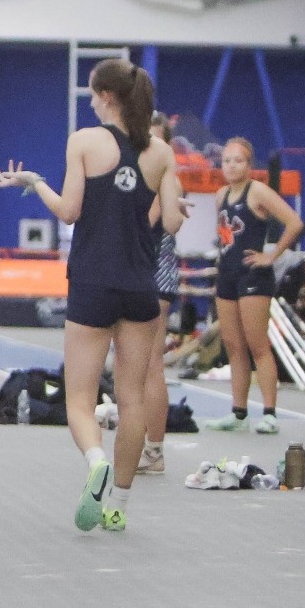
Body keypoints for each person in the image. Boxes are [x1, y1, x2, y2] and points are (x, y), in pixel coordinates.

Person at [0, 59, 185, 531]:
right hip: (141, 286)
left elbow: (69, 212)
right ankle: (118, 500)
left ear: (106, 97)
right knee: (132, 398)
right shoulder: (160, 152)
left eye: (93, 94)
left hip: (94, 282)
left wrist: (36, 183)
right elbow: (174, 222)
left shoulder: (83, 141)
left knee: (80, 399)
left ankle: (96, 461)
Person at [203, 137, 304, 434]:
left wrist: (271, 255)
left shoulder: (258, 191)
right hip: (228, 273)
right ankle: (238, 412)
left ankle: (270, 412)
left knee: (257, 344)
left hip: (252, 275)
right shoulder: (220, 195)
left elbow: (294, 222)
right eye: (226, 161)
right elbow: (224, 236)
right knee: (233, 346)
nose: (232, 166)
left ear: (249, 165)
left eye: (238, 160)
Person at [136, 112, 187, 476]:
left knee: (150, 364)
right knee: (136, 366)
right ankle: (143, 444)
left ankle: (154, 450)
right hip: (142, 275)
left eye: (156, 140)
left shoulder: (162, 180)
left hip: (154, 277)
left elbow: (147, 223)